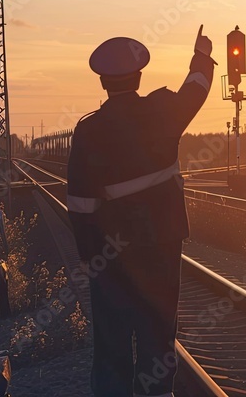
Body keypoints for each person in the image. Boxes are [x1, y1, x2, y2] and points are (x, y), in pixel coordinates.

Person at [67, 26, 215, 397]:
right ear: (139, 76)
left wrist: (89, 256)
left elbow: (81, 205)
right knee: (158, 334)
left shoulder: (89, 131)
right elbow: (195, 90)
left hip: (109, 252)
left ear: (103, 82)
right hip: (161, 245)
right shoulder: (162, 112)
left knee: (112, 343)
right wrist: (202, 56)